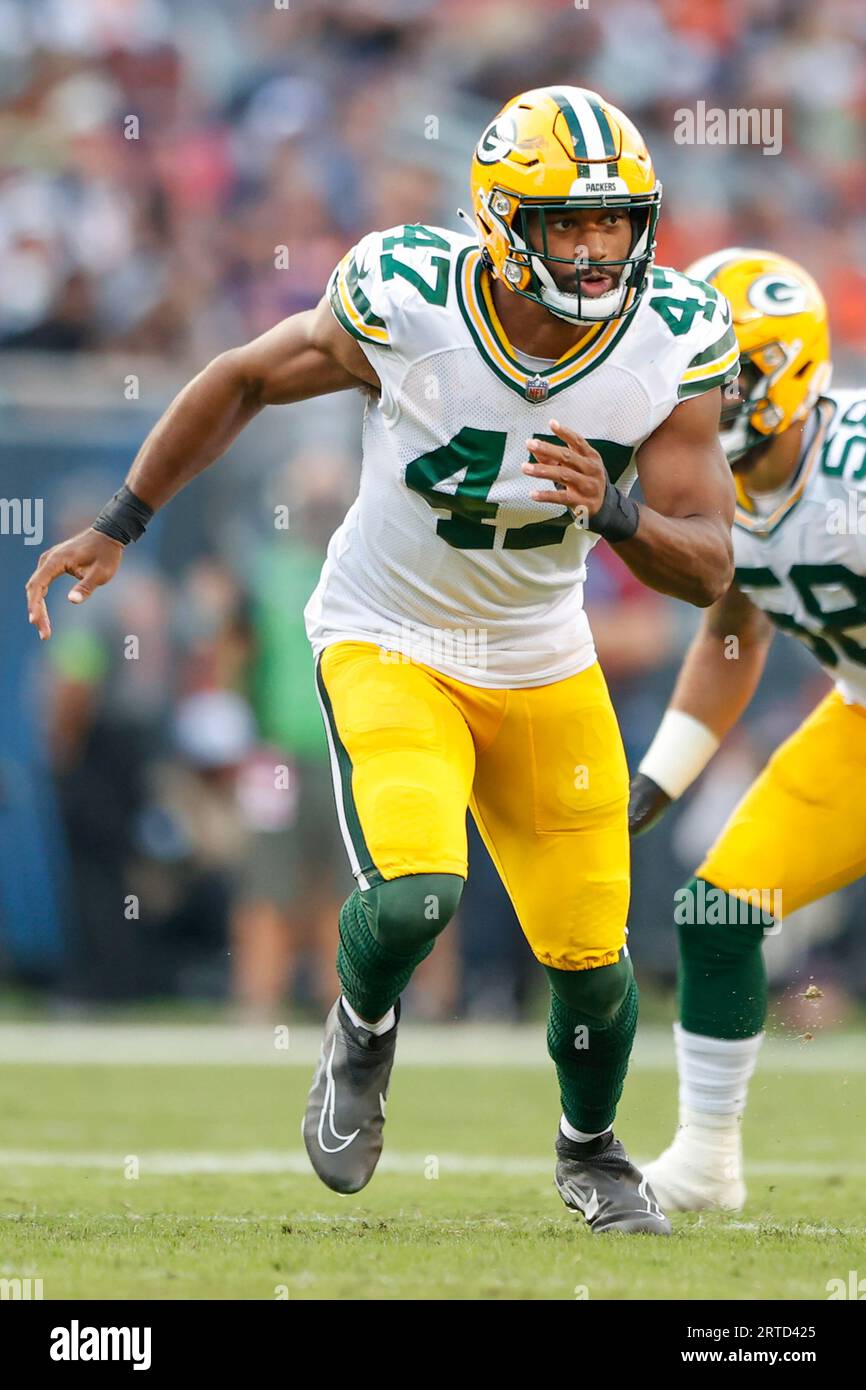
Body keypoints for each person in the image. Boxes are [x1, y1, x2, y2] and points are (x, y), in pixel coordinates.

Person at [26, 86, 736, 1235]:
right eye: (571, 222)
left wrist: (617, 515)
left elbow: (706, 568)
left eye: (616, 221)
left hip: (541, 655)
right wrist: (121, 520)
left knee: (592, 959)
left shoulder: (672, 336)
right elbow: (245, 376)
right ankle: (360, 1027)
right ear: (505, 222)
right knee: (413, 895)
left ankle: (590, 1152)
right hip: (389, 634)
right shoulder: (408, 297)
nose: (601, 249)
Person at [630, 248, 858, 1212]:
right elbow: (735, 626)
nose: (711, 392)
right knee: (717, 915)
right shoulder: (714, 485)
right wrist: (662, 780)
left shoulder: (853, 468)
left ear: (792, 368)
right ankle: (707, 1159)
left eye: (731, 372)